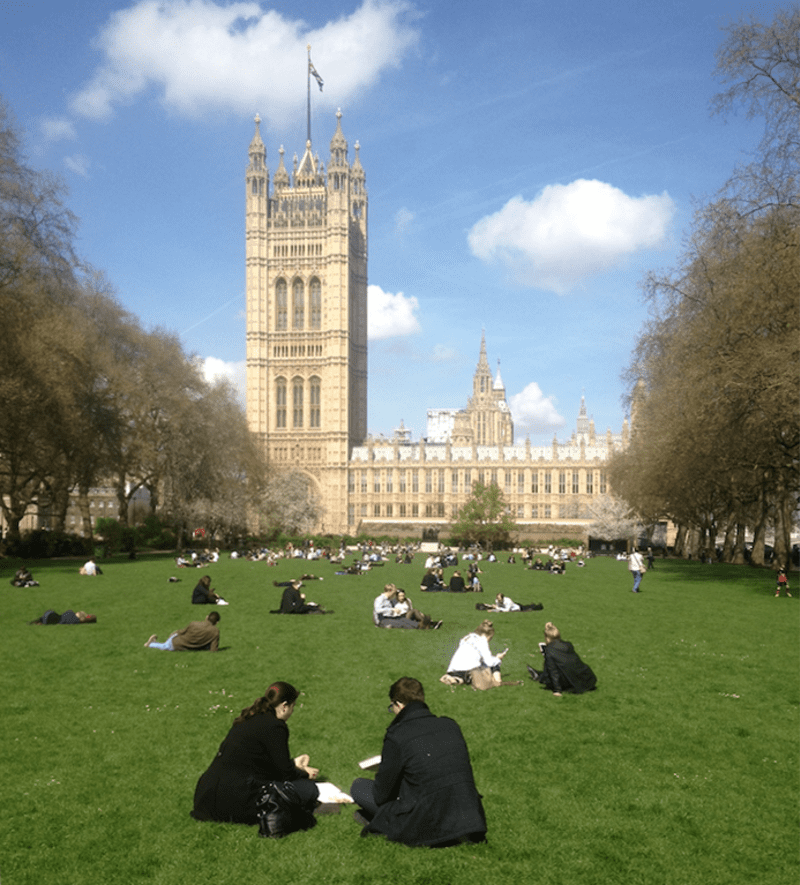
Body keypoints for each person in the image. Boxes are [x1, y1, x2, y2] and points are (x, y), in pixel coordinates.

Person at [350, 677, 487, 847]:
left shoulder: (397, 735)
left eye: (391, 707)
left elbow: (381, 795)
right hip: (468, 812)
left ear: (398, 704)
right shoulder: (450, 725)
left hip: (427, 817)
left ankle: (382, 822)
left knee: (359, 787)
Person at [191, 681, 320, 837]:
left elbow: (257, 762)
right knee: (309, 789)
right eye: (293, 707)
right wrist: (306, 773)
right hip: (236, 799)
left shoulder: (249, 718)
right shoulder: (275, 727)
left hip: (206, 797)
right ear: (285, 705)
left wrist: (293, 763)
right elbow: (285, 775)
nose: (292, 712)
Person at [527, 622, 597, 697]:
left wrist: (557, 690)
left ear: (546, 637)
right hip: (587, 678)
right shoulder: (568, 645)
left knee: (548, 669)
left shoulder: (549, 651)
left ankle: (539, 676)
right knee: (560, 666)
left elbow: (553, 671)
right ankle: (539, 674)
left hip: (571, 683)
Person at [442, 620, 507, 685]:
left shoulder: (466, 638)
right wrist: (498, 658)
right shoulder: (482, 641)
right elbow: (489, 662)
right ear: (488, 636)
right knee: (495, 664)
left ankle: (453, 679)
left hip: (453, 669)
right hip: (469, 671)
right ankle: (497, 681)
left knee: (463, 678)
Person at [144, 611, 221, 651]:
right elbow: (213, 649)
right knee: (166, 646)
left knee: (165, 646)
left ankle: (150, 644)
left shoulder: (194, 624)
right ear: (216, 622)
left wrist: (174, 633)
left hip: (177, 642)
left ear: (207, 617)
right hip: (187, 645)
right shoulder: (215, 632)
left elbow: (181, 632)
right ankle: (151, 644)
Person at [29, 609, 96, 624]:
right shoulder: (72, 618)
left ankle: (39, 622)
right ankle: (39, 622)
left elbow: (86, 618)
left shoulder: (72, 618)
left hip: (51, 615)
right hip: (51, 615)